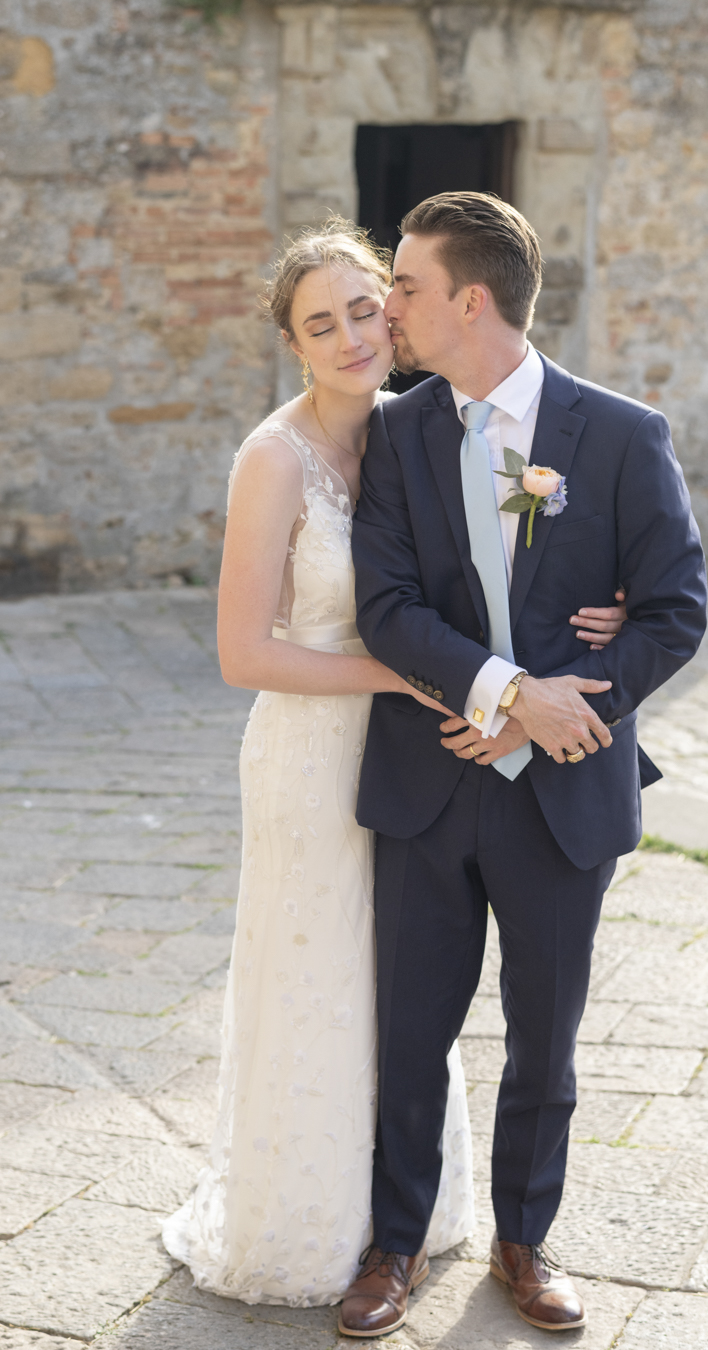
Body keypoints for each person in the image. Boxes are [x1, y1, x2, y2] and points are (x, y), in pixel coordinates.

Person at [162, 219, 628, 1309]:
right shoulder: (275, 457)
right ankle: (331, 1227)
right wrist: (421, 683)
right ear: (294, 343)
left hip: (447, 746)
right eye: (320, 324)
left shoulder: (429, 426)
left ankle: (455, 1225)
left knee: (425, 1004)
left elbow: (533, 570)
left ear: (401, 307)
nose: (352, 336)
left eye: (367, 308)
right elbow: (250, 649)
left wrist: (603, 621)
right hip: (333, 751)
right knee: (331, 983)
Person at [340, 193, 708, 1337]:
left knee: (545, 1041)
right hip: (429, 779)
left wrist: (568, 710)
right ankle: (393, 1247)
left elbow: (677, 608)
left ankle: (523, 1240)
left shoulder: (621, 434)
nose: (386, 306)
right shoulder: (395, 433)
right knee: (408, 1031)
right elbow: (388, 610)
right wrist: (507, 695)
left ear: (470, 299)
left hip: (562, 791)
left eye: (402, 285)